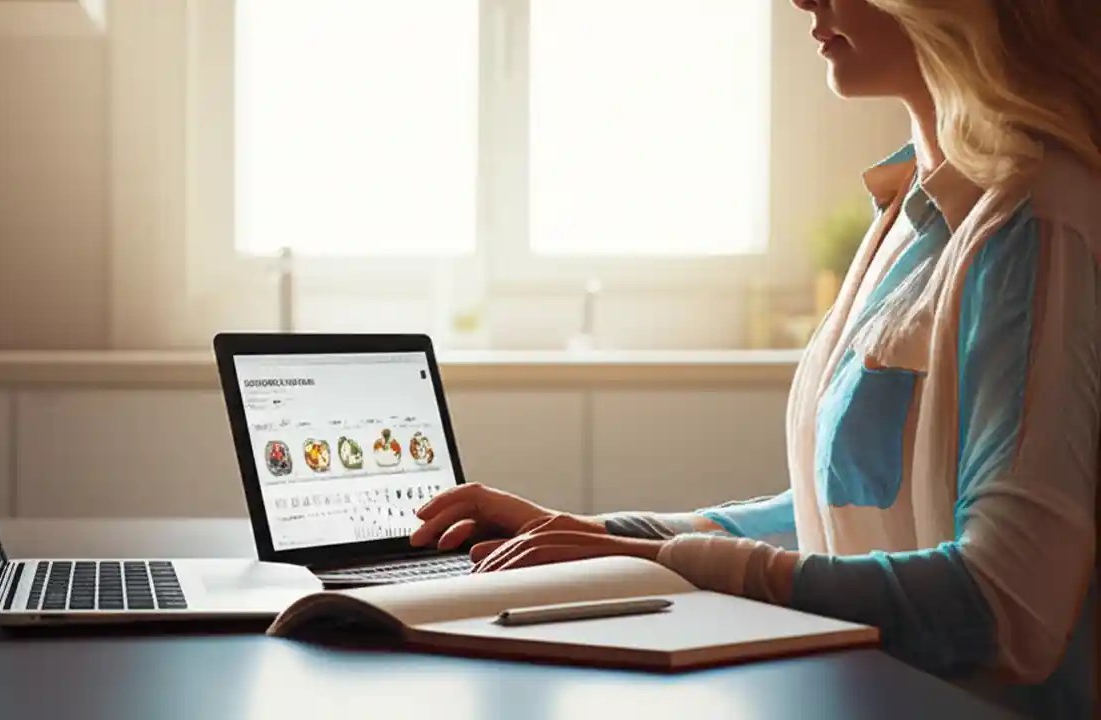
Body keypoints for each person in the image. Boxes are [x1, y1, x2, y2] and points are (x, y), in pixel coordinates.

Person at [409, 1, 1101, 716]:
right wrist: (606, 536)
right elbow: (846, 514)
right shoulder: (913, 210)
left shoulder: (1040, 223)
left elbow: (1005, 608)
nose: (804, 0)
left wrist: (659, 564)